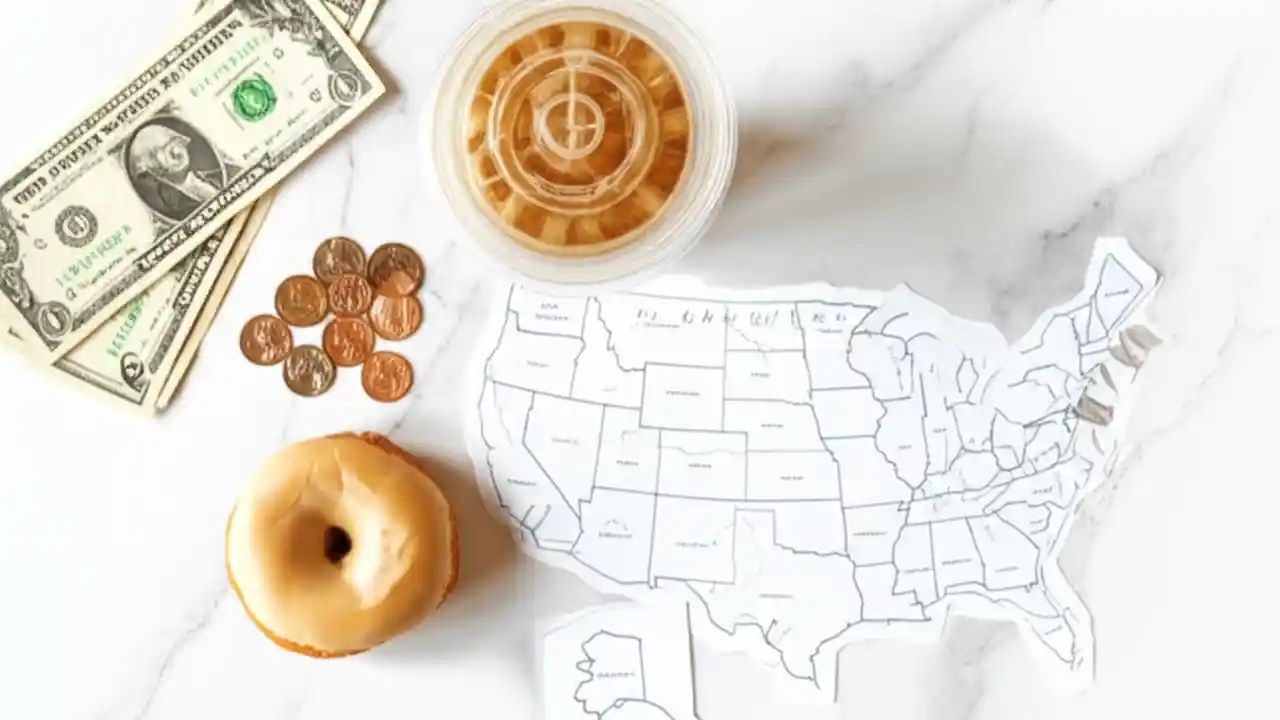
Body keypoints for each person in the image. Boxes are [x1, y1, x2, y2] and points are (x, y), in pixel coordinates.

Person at [128, 123, 223, 219]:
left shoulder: (218, 172)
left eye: (174, 139)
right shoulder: (173, 207)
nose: (184, 140)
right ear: (150, 168)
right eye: (166, 146)